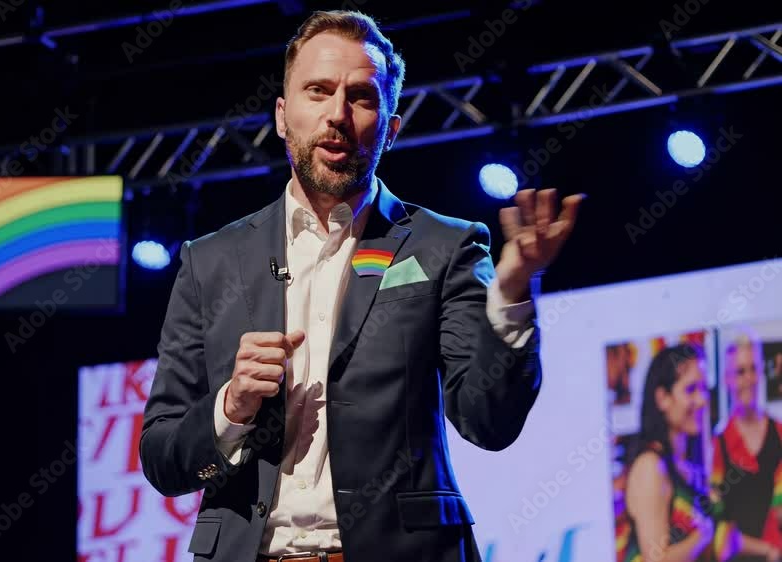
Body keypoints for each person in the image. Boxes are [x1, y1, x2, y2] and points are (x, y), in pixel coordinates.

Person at [140, 10, 582, 562]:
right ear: (282, 115)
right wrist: (231, 407)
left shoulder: (443, 246)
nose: (337, 115)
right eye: (317, 92)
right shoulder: (211, 262)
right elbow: (163, 458)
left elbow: (489, 422)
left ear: (391, 127)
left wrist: (512, 295)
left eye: (362, 98)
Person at [617, 344, 731, 562]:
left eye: (703, 389)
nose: (702, 400)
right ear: (663, 398)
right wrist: (702, 536)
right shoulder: (650, 466)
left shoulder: (686, 461)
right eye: (690, 390)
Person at [712, 333, 782, 562]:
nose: (749, 378)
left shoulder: (779, 433)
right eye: (740, 371)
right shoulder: (718, 445)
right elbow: (717, 529)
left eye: (753, 369)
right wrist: (766, 550)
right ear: (727, 379)